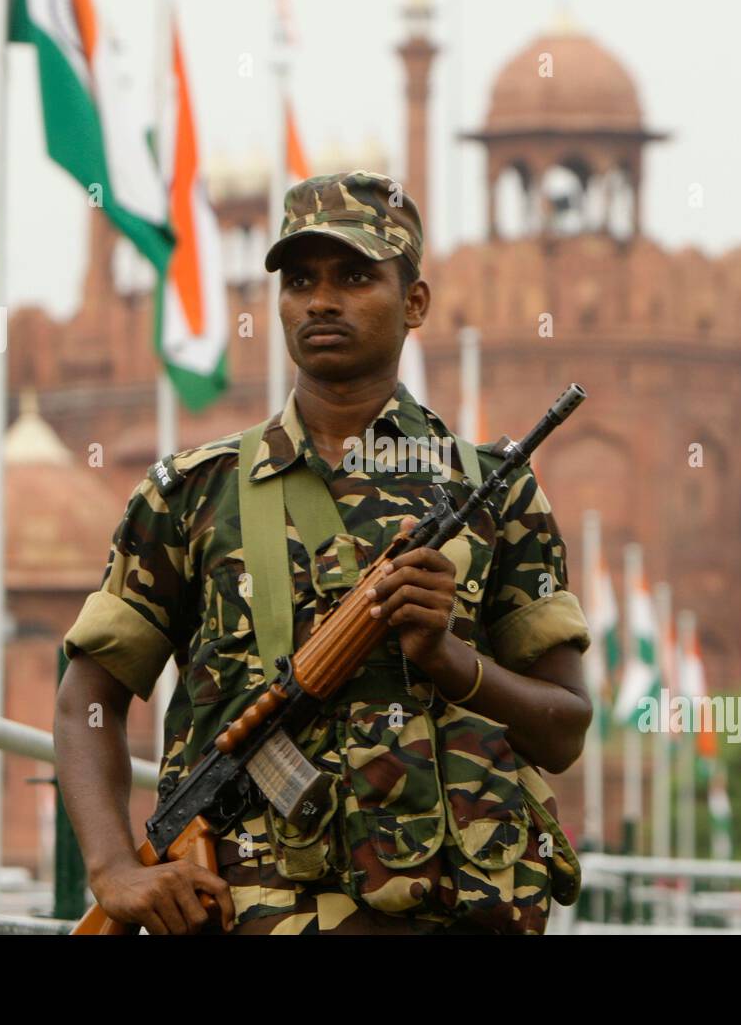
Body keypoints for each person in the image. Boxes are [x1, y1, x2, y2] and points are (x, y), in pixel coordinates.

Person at [56, 171, 592, 935]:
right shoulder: (196, 495)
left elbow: (564, 729)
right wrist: (113, 869)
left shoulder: (494, 496)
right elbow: (88, 700)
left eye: (355, 276)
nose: (321, 300)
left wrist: (449, 660)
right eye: (300, 279)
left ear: (415, 303)